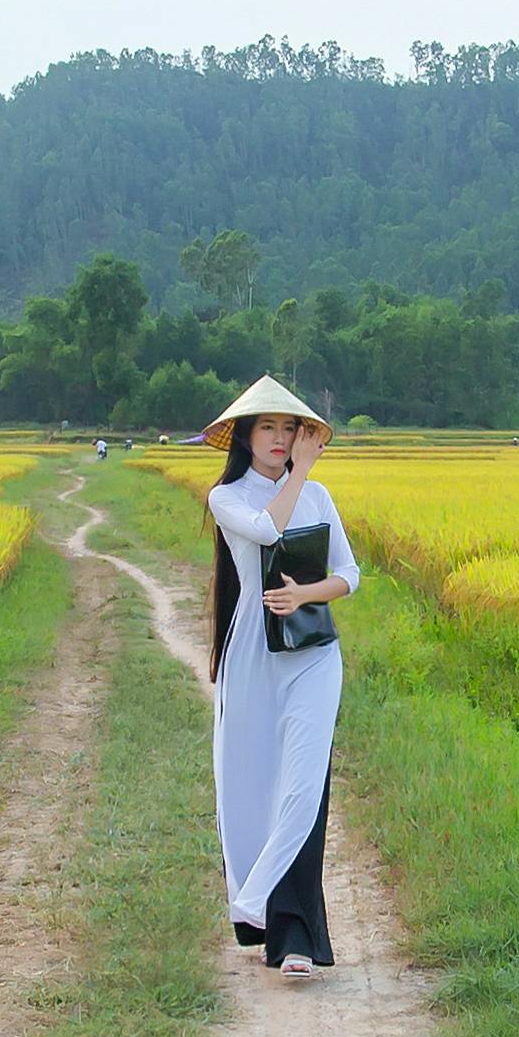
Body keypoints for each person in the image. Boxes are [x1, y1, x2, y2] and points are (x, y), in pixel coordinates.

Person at [200, 376, 361, 976]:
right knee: (253, 784)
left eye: (289, 428)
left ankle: (296, 937)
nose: (279, 438)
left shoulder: (317, 496)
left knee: (303, 781)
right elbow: (267, 531)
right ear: (244, 436)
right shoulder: (228, 498)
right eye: (267, 428)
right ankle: (258, 912)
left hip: (314, 654)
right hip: (253, 658)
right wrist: (299, 473)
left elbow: (349, 575)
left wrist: (305, 595)